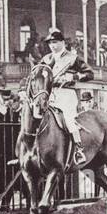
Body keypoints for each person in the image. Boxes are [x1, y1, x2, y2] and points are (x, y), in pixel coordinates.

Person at [35, 27, 94, 165]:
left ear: (62, 42)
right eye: (50, 43)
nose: (52, 45)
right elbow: (37, 74)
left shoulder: (73, 58)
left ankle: (78, 150)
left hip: (66, 94)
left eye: (55, 42)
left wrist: (73, 76)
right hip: (49, 94)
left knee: (68, 119)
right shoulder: (46, 59)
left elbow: (89, 74)